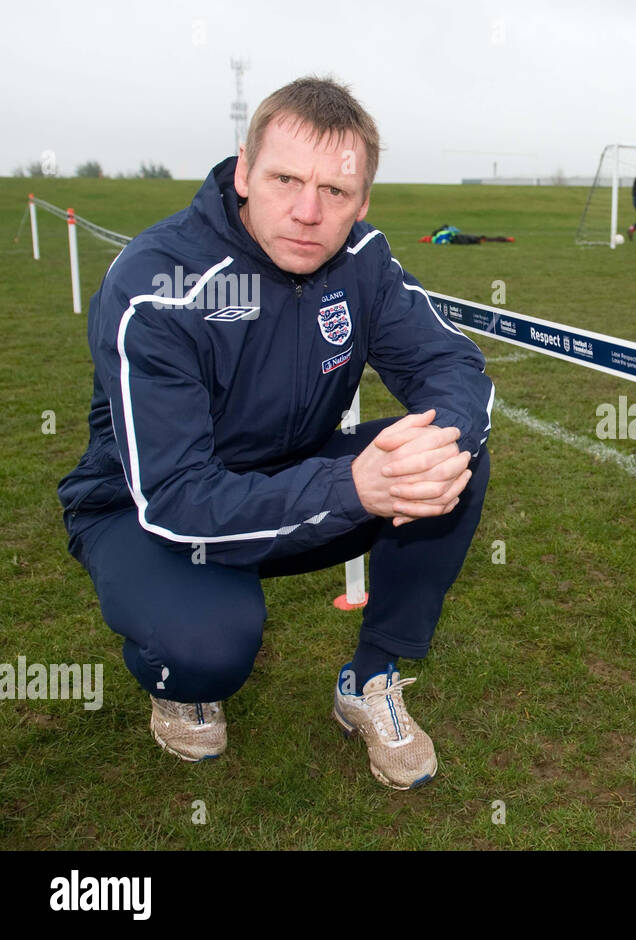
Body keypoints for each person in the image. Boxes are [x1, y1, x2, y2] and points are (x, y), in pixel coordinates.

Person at [56, 77, 495, 791]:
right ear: (243, 171)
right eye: (285, 178)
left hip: (289, 475)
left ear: (363, 202)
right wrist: (352, 485)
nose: (307, 212)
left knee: (453, 459)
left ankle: (370, 678)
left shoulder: (363, 259)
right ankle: (180, 677)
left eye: (336, 192)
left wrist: (432, 445)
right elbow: (174, 497)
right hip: (145, 511)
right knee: (211, 644)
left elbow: (451, 364)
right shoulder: (158, 284)